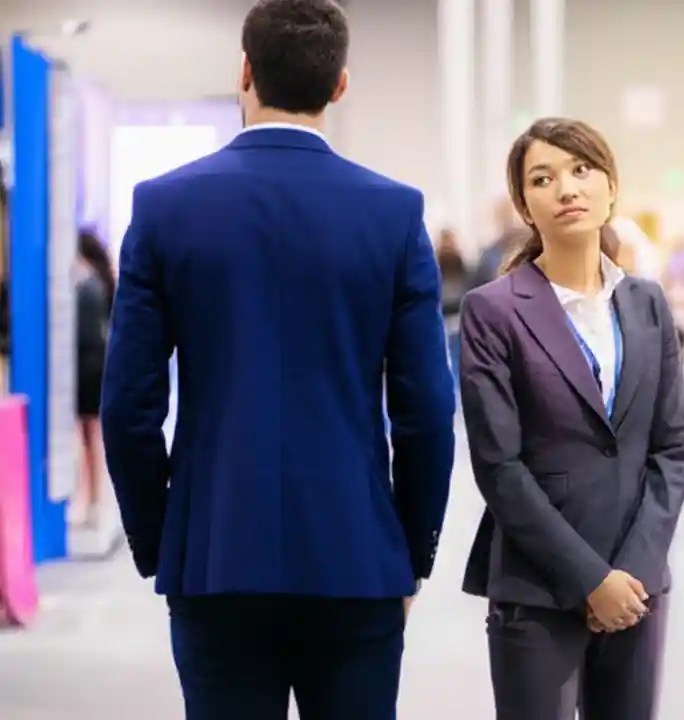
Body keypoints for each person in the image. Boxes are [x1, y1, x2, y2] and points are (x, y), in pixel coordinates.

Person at [100, 2, 455, 717]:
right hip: (357, 557)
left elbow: (129, 409)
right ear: (341, 85)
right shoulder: (393, 213)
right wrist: (409, 553)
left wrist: (162, 539)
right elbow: (426, 413)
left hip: (216, 555)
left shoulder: (165, 208)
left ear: (244, 71)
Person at [458, 117, 684, 720]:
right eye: (544, 177)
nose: (566, 188)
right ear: (524, 205)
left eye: (581, 170)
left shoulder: (646, 303)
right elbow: (499, 466)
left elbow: (672, 448)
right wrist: (592, 580)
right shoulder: (494, 310)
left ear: (611, 187)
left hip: (638, 584)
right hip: (538, 586)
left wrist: (632, 574)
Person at [73, 230, 115, 528]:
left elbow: (85, 334)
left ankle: (92, 498)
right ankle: (92, 498)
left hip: (86, 367)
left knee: (87, 436)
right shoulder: (101, 282)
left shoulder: (88, 286)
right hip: (95, 365)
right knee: (90, 437)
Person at [437, 227, 472, 388]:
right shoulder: (450, 259)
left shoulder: (450, 260)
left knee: (454, 352)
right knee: (453, 351)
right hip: (450, 310)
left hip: (453, 311)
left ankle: (456, 383)